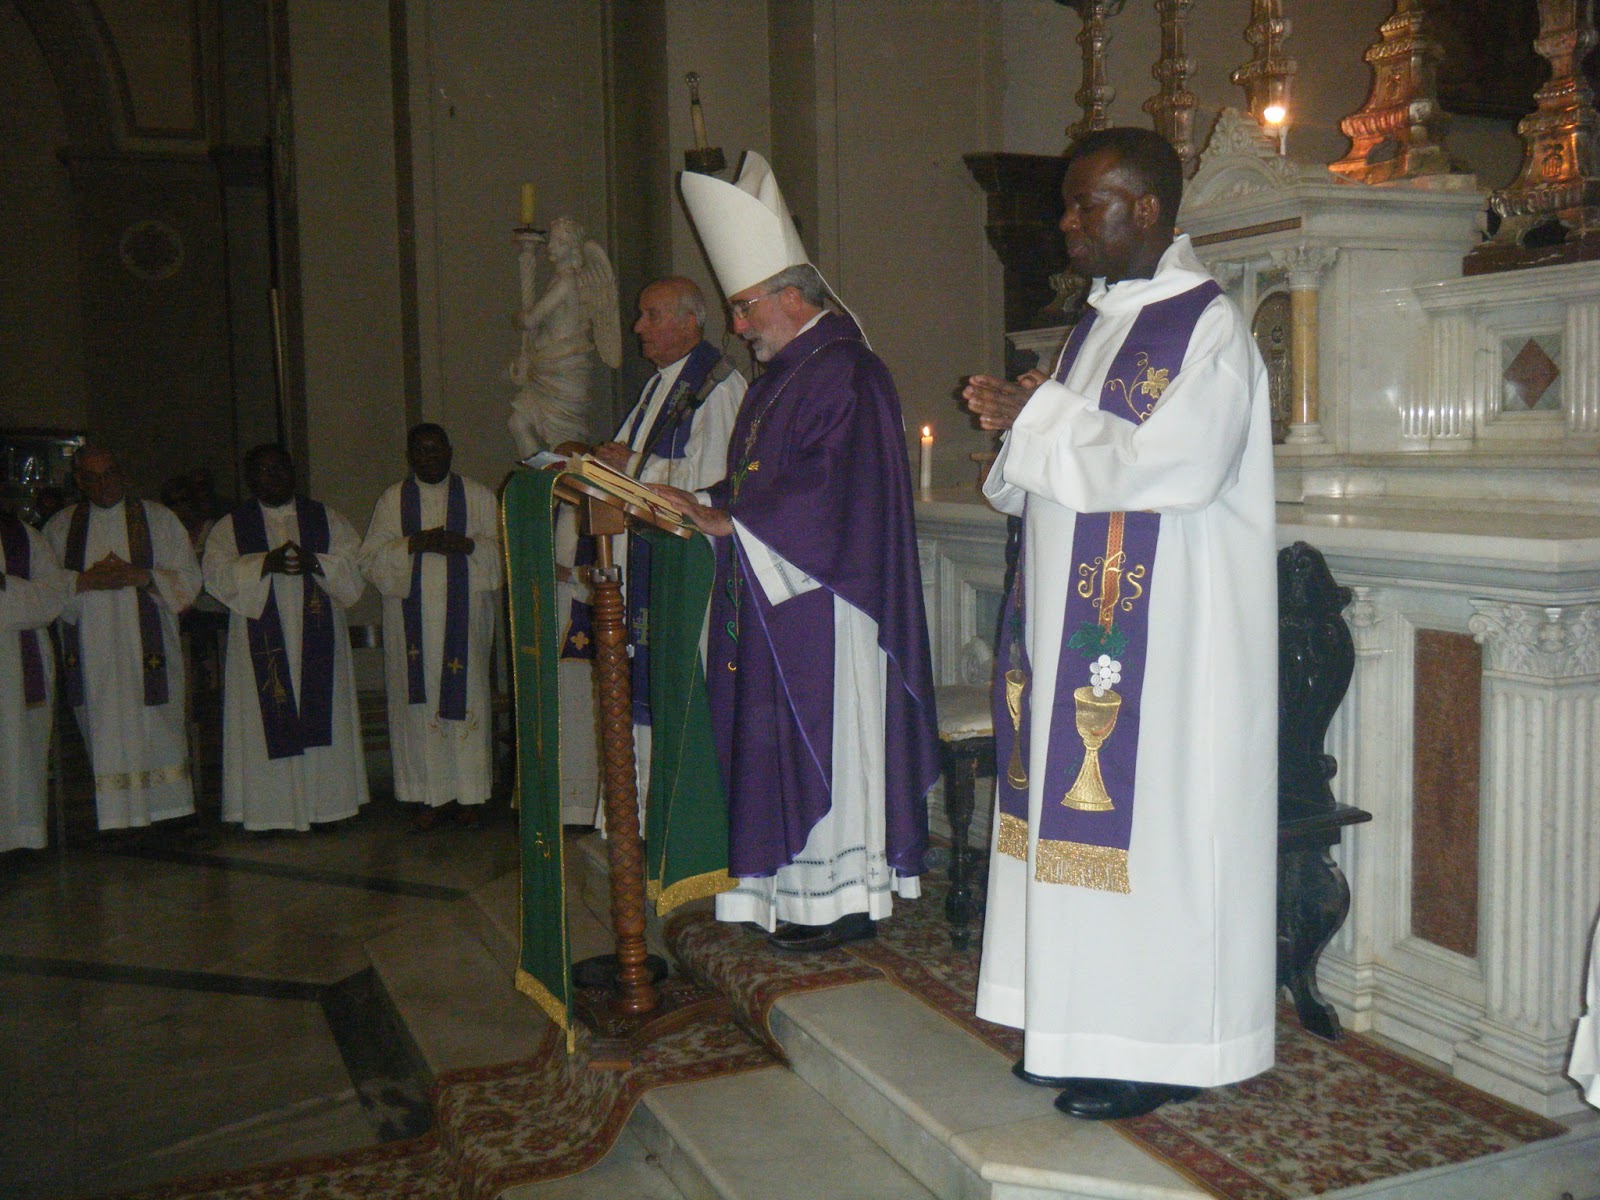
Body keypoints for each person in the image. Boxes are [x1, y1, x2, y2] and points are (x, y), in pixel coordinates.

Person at [962, 127, 1277, 1121]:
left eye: (1082, 203)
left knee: (1157, 841)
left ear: (1144, 210)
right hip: (1077, 633)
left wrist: (1038, 417)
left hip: (1173, 649)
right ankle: (1079, 1025)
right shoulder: (1101, 320)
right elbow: (1055, 467)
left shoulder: (1208, 327)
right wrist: (1019, 420)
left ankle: (1167, 1046)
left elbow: (1175, 467)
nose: (1065, 224)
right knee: (1079, 841)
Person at [658, 151, 940, 953]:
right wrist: (707, 504)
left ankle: (842, 899)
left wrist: (729, 525)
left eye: (745, 308)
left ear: (790, 295)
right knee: (772, 741)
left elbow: (831, 493)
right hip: (779, 589)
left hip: (831, 598)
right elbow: (762, 483)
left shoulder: (847, 372)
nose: (738, 325)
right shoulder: (786, 372)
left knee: (830, 740)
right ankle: (785, 887)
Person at [554, 275, 747, 822]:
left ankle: (677, 823)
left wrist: (632, 465)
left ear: (692, 321)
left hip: (686, 573)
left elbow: (714, 486)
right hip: (643, 562)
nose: (638, 328)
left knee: (676, 695)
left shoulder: (717, 387)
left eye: (651, 315)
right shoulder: (661, 383)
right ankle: (635, 820)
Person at [203, 444, 369, 831]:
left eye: (280, 469)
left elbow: (354, 570)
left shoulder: (326, 518)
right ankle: (269, 812)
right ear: (250, 479)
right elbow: (216, 576)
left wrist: (314, 561)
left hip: (320, 637)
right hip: (257, 639)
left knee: (321, 710)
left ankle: (329, 806)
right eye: (263, 471)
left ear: (293, 472)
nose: (273, 477)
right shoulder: (231, 526)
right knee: (263, 719)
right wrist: (264, 563)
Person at [45, 446, 201, 831]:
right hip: (92, 649)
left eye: (110, 473)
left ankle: (170, 813)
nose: (104, 483)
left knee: (158, 725)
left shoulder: (159, 519)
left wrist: (143, 577)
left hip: (150, 653)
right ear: (79, 481)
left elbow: (189, 577)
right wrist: (85, 580)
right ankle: (115, 819)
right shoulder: (61, 527)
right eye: (93, 477)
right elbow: (45, 587)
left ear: (122, 472)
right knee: (104, 730)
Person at [361, 424, 503, 829]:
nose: (429, 457)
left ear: (450, 450)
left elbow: (503, 553)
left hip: (466, 623)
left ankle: (470, 796)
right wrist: (412, 544)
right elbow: (369, 560)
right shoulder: (393, 501)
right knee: (417, 704)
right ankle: (426, 795)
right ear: (410, 456)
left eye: (436, 448)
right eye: (420, 451)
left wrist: (469, 545)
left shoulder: (477, 496)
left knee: (468, 698)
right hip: (412, 628)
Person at [508, 215, 623, 458]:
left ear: (572, 248)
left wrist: (519, 318)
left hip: (565, 371)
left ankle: (560, 488)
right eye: (551, 241)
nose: (550, 247)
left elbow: (530, 320)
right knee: (518, 422)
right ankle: (540, 478)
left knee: (564, 445)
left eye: (558, 243)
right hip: (547, 367)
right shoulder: (558, 279)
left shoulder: (567, 282)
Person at [0, 510, 69, 851]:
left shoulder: (24, 537)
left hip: (17, 663)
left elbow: (53, 596)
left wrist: (5, 587)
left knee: (19, 748)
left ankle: (18, 837)